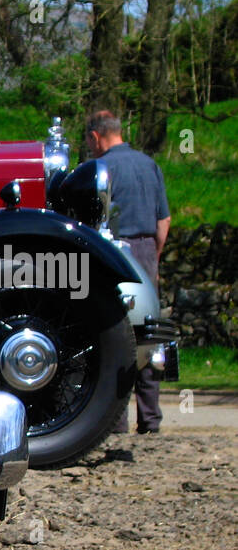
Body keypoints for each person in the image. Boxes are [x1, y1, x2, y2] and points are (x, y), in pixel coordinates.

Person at [86, 110, 171, 434]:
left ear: (96, 137)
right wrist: (154, 258)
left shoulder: (98, 168)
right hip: (148, 248)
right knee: (148, 333)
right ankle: (150, 418)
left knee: (114, 332)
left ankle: (114, 420)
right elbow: (164, 221)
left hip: (113, 253)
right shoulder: (150, 165)